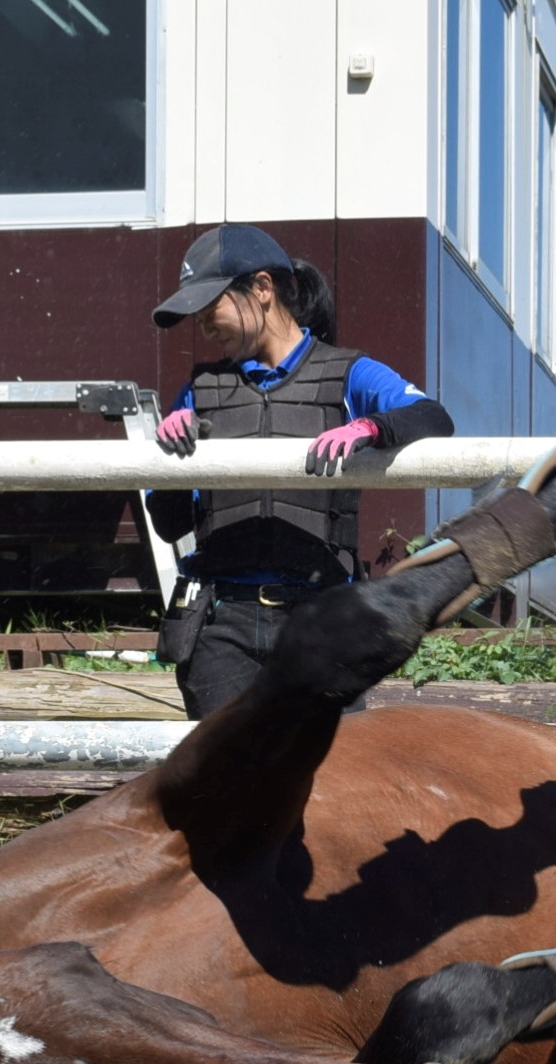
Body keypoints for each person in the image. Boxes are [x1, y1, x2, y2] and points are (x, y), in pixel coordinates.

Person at [147, 223, 454, 717]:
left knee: (337, 761)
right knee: (227, 767)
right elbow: (169, 524)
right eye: (196, 318)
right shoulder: (199, 391)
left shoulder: (349, 373)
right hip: (222, 627)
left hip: (321, 620)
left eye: (210, 310)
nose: (203, 328)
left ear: (262, 288)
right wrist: (173, 460)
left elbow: (433, 417)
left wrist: (371, 427)